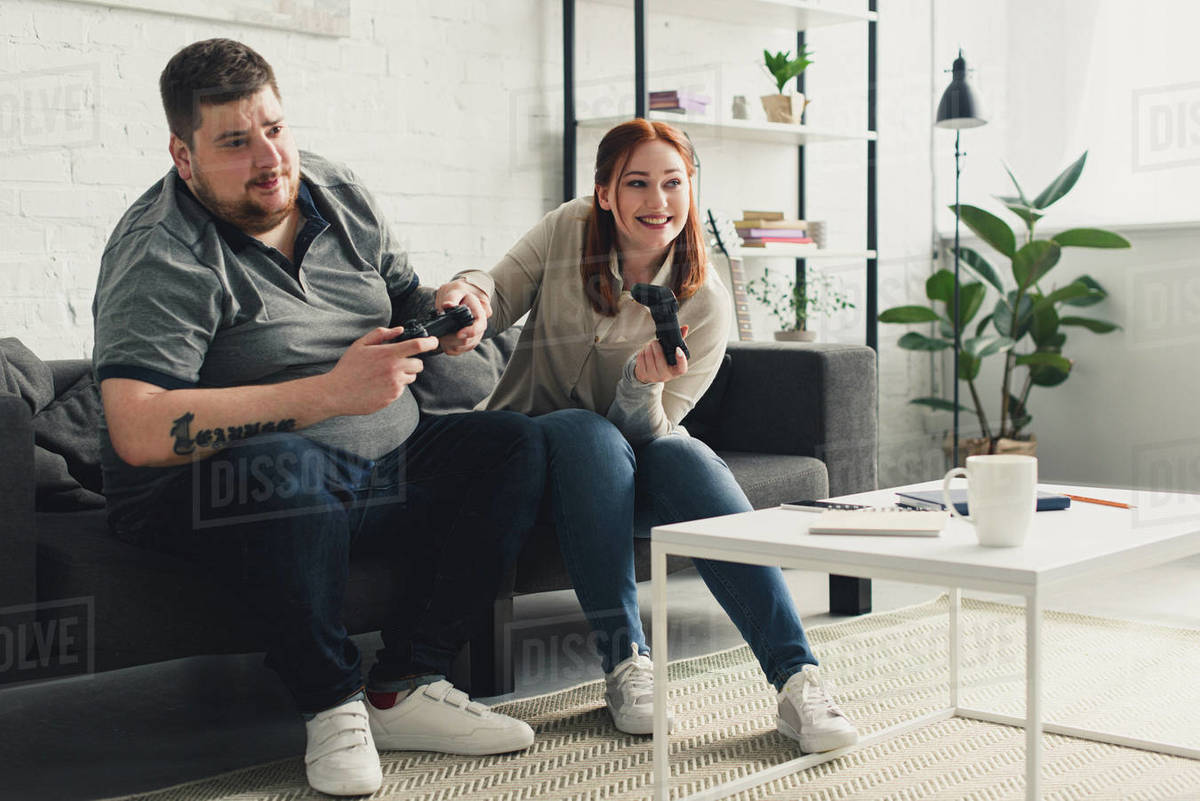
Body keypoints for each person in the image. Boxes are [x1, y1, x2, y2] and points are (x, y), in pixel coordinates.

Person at [92, 39, 545, 797]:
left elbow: (403, 295)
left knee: (514, 444)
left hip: (375, 464)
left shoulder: (335, 189)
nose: (269, 158)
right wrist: (328, 394)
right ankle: (331, 703)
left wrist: (449, 313)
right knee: (285, 463)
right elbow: (137, 429)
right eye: (235, 142)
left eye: (275, 128)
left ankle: (407, 685)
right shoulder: (161, 251)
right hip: (219, 493)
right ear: (183, 155)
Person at [435, 119, 859, 752]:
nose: (658, 201)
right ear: (605, 192)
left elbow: (653, 435)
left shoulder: (705, 303)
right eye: (637, 183)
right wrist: (468, 293)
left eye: (673, 183)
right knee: (584, 432)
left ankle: (798, 677)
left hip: (614, 479)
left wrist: (639, 385)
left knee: (685, 457)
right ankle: (627, 660)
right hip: (521, 463)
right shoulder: (570, 229)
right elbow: (498, 287)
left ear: (691, 188)